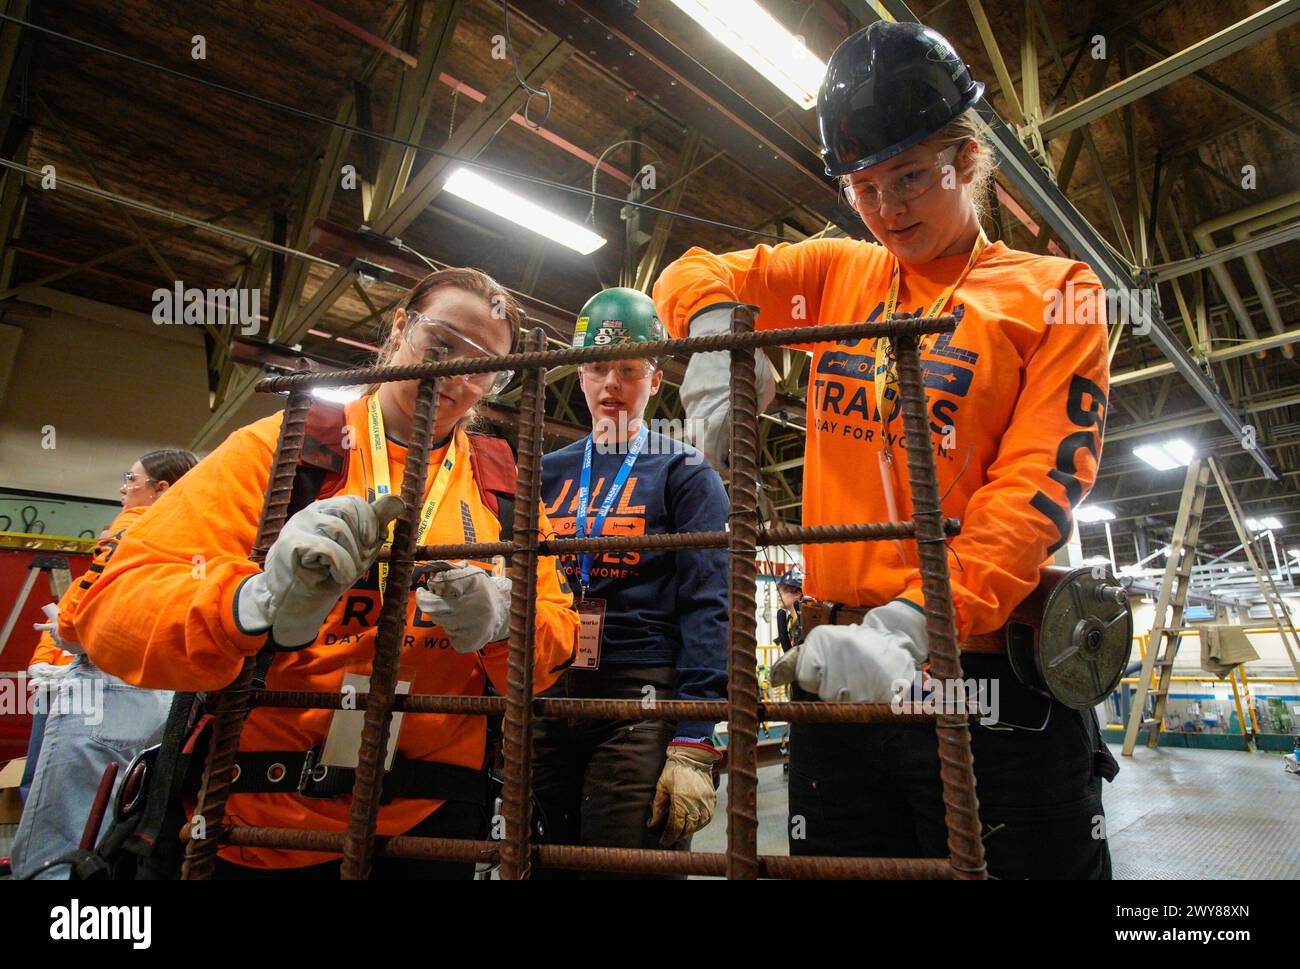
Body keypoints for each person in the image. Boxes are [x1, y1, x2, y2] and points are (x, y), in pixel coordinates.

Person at [653, 21, 1116, 879]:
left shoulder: (1056, 294)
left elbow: (1039, 488)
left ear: (969, 162)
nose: (887, 207)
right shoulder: (842, 274)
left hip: (982, 686)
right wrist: (716, 336)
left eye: (910, 176)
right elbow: (690, 269)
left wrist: (919, 623)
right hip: (838, 687)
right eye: (863, 186)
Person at [74, 267, 579, 879]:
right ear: (400, 328)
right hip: (257, 821)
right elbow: (114, 608)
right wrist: (249, 601)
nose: (454, 376)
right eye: (440, 343)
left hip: (432, 829)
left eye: (483, 366)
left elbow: (553, 647)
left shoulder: (507, 489)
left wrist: (506, 624)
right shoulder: (283, 449)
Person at [532, 288, 728, 877]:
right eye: (597, 368)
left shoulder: (685, 472)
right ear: (580, 374)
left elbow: (709, 605)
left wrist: (695, 738)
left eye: (628, 369)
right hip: (551, 689)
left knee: (624, 865)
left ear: (655, 379)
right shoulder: (547, 471)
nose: (611, 384)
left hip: (640, 698)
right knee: (544, 865)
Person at [12, 448, 199, 879]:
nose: (123, 488)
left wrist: (63, 626)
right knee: (119, 835)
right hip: (164, 705)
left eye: (131, 479)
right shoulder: (204, 534)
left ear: (161, 489)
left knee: (57, 844)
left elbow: (78, 625)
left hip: (103, 695)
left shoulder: (130, 531)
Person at [774, 568, 803, 654]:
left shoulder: (804, 620)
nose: (779, 595)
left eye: (785, 590)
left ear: (798, 593)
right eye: (779, 590)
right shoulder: (790, 619)